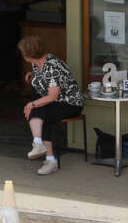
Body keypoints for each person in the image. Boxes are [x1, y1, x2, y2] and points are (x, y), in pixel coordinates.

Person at [20, 35, 84, 176]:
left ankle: (48, 157)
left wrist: (31, 104)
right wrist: (32, 75)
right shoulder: (37, 63)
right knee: (38, 110)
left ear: (28, 55)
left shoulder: (52, 66)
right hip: (53, 102)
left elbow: (53, 96)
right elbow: (44, 84)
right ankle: (40, 146)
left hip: (69, 103)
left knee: (39, 112)